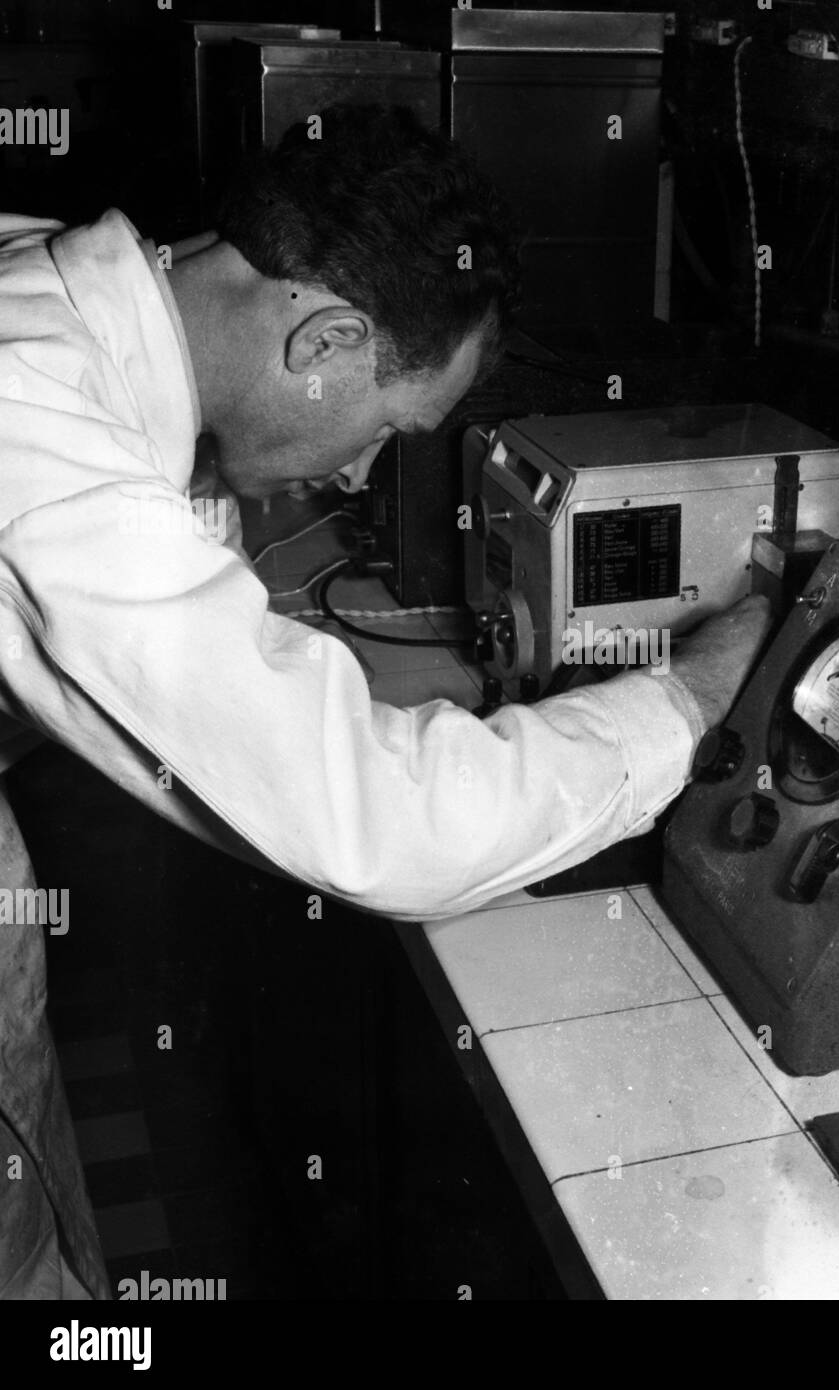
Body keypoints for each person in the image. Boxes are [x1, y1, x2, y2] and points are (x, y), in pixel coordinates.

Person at [0, 106, 770, 1298]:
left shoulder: (54, 295)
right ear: (324, 338)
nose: (362, 474)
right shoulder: (40, 434)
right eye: (391, 425)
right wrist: (694, 691)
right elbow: (388, 825)